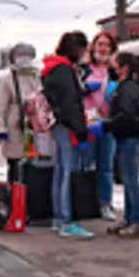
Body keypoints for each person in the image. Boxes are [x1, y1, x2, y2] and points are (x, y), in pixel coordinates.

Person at [41, 31, 103, 240]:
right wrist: (81, 130)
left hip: (57, 125)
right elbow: (71, 104)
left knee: (59, 171)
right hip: (67, 126)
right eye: (84, 50)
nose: (85, 54)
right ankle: (67, 220)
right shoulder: (65, 71)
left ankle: (59, 217)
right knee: (68, 171)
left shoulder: (52, 68)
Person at [102, 51, 139, 238]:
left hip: (130, 138)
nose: (111, 67)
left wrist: (107, 125)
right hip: (126, 138)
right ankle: (130, 218)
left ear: (124, 69)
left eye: (115, 64)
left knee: (131, 180)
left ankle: (136, 221)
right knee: (128, 179)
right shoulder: (126, 87)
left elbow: (126, 115)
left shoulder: (128, 89)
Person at [80, 32, 119, 221]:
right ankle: (85, 201)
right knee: (86, 164)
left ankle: (105, 203)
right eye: (99, 45)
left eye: (107, 46)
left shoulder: (114, 72)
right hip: (89, 121)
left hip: (108, 122)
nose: (103, 49)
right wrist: (85, 89)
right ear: (93, 48)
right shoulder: (84, 70)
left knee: (106, 166)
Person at [0, 42, 41, 183]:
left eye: (28, 55)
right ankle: (14, 199)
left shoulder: (36, 78)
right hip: (14, 132)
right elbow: (0, 108)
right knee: (15, 168)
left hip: (35, 130)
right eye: (21, 55)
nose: (25, 59)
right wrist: (1, 129)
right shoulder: (8, 81)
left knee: (33, 169)